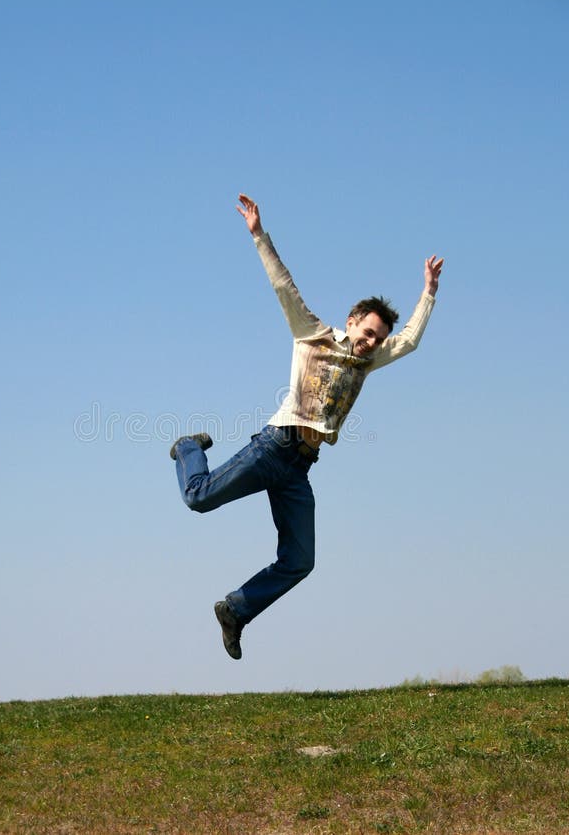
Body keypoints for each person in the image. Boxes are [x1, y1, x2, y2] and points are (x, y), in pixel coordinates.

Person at [170, 194, 444, 660]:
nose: (371, 342)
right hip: (272, 448)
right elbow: (284, 286)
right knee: (198, 498)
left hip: (299, 468)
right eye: (367, 332)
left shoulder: (370, 361)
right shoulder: (311, 334)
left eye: (378, 338)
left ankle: (236, 610)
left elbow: (411, 341)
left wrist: (429, 294)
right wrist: (259, 235)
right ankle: (187, 447)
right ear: (352, 321)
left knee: (300, 561)